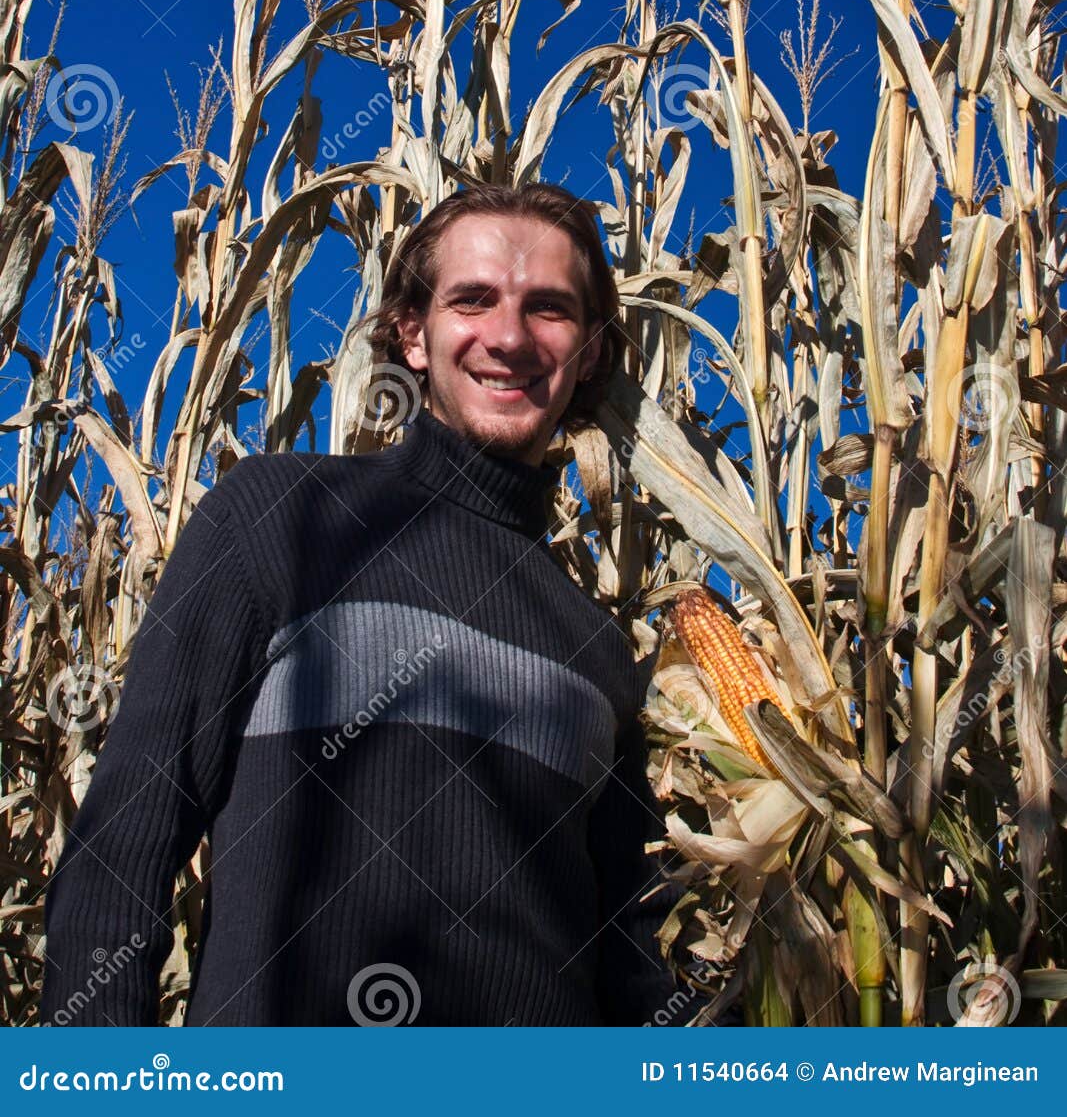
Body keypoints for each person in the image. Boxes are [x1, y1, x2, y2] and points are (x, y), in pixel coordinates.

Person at [39, 181, 692, 1026]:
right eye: (473, 300)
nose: (507, 336)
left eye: (549, 310)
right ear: (412, 336)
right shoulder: (282, 518)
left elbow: (631, 961)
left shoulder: (595, 647)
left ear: (593, 352)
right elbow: (124, 844)